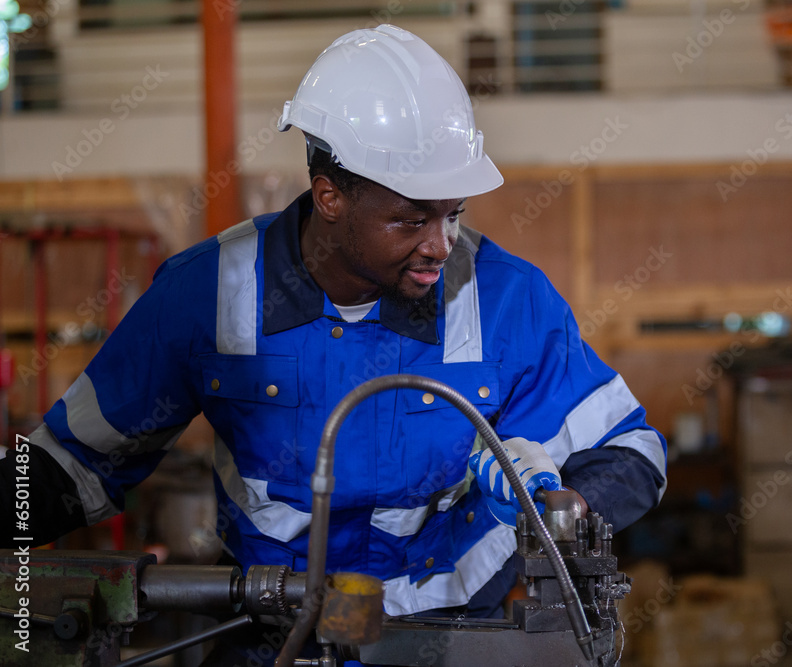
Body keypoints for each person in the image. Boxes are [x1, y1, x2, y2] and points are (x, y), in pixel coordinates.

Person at [1, 22, 666, 649]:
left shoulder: (508, 299)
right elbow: (75, 461)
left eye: (453, 213)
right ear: (330, 196)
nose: (442, 245)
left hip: (454, 641)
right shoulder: (208, 293)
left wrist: (556, 506)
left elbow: (635, 450)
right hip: (275, 637)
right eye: (410, 221)